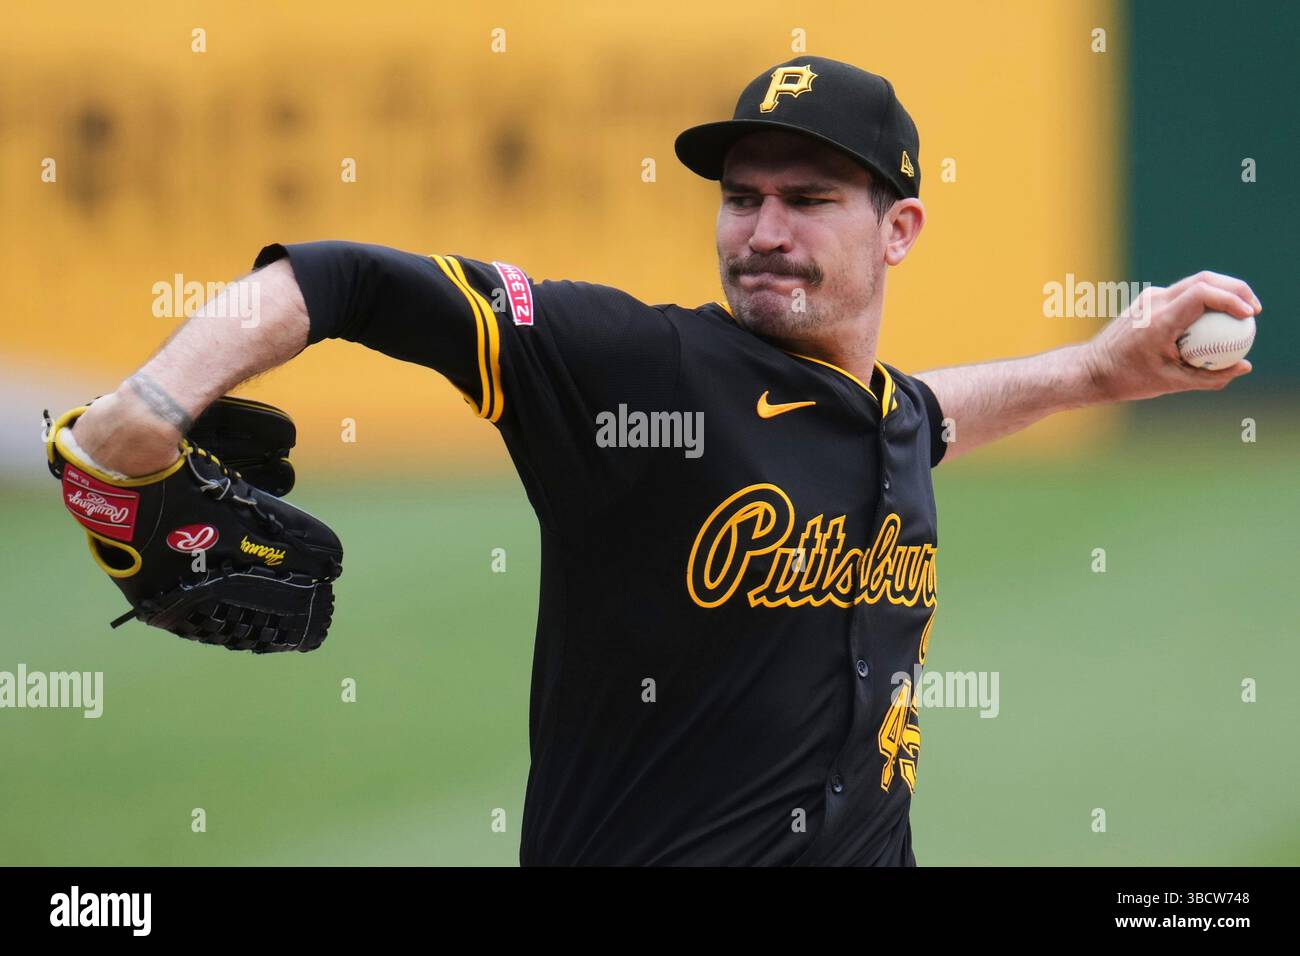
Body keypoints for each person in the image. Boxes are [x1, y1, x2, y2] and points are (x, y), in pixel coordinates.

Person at [66, 56, 1258, 865]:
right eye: (742, 198)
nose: (765, 231)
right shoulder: (636, 369)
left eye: (808, 197)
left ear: (898, 230)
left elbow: (923, 415)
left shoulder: (876, 418)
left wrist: (1095, 373)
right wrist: (147, 412)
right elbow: (343, 279)